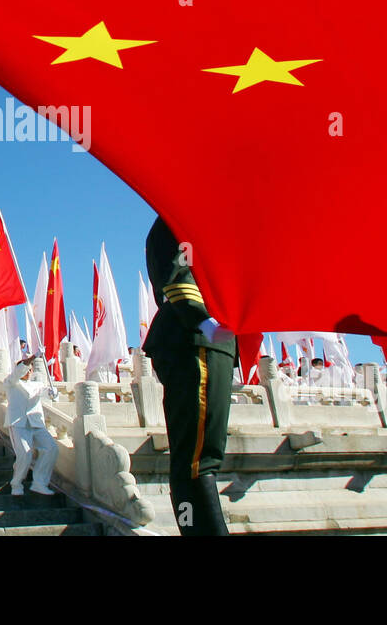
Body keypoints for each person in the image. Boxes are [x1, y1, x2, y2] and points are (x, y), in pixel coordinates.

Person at [140, 215, 235, 536]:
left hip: (217, 337)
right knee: (195, 462)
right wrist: (203, 320)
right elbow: (177, 272)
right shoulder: (179, 219)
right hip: (192, 335)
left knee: (205, 457)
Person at [4, 357, 57, 496]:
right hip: (18, 423)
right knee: (25, 454)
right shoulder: (11, 382)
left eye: (30, 369)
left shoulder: (37, 384)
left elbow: (47, 393)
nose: (28, 371)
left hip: (36, 422)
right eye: (25, 368)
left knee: (51, 448)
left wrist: (53, 393)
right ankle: (16, 483)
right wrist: (33, 356)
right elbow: (18, 372)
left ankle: (39, 483)